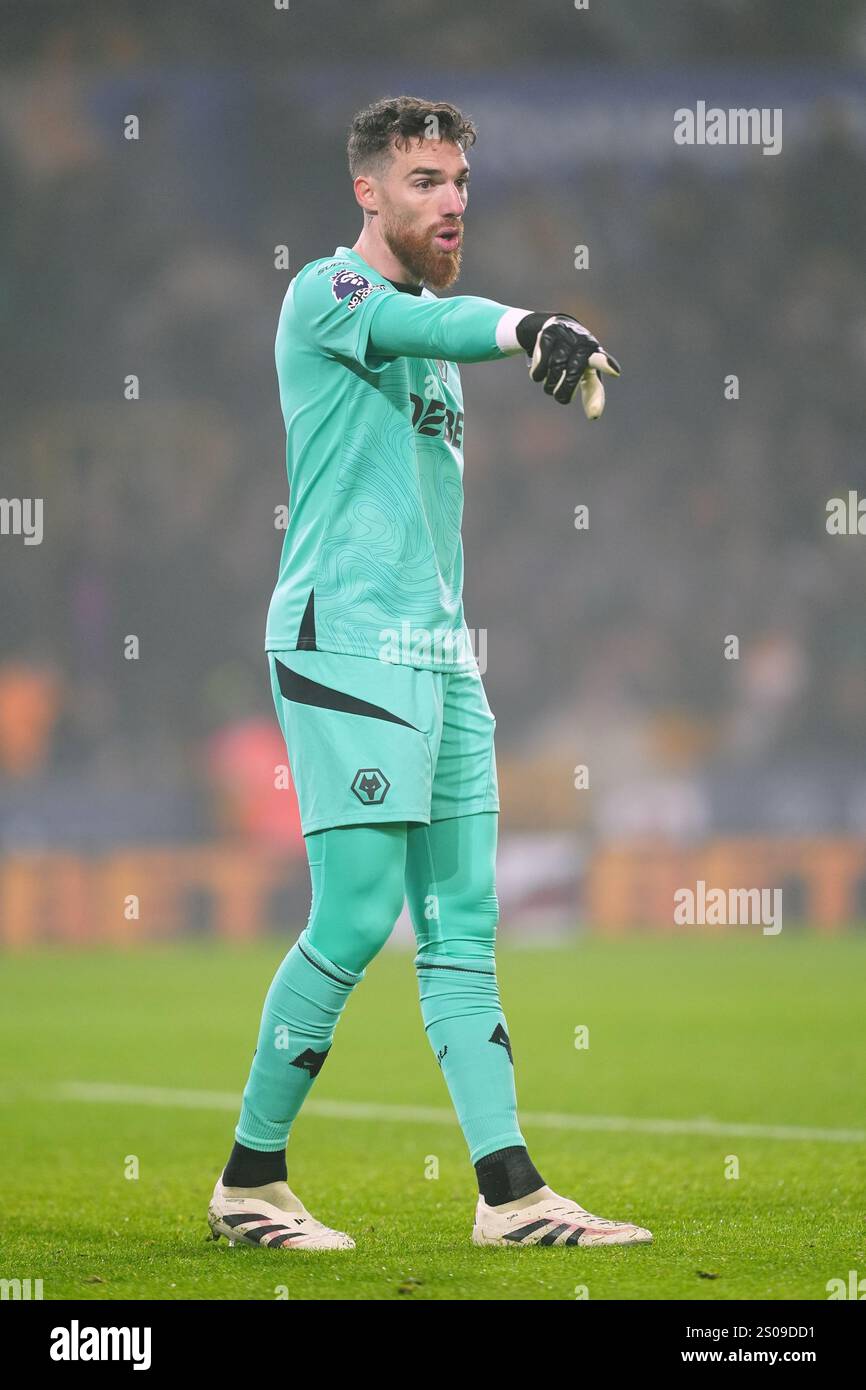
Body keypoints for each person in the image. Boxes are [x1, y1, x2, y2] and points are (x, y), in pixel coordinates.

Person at [208, 95, 650, 1251]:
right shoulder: (326, 293)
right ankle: (249, 1182)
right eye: (422, 181)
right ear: (367, 190)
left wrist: (504, 336)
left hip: (439, 653)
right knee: (355, 918)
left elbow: (440, 340)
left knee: (461, 927)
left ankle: (509, 1196)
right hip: (340, 640)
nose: (449, 200)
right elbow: (447, 329)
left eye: (458, 179)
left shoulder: (428, 326)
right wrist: (526, 328)